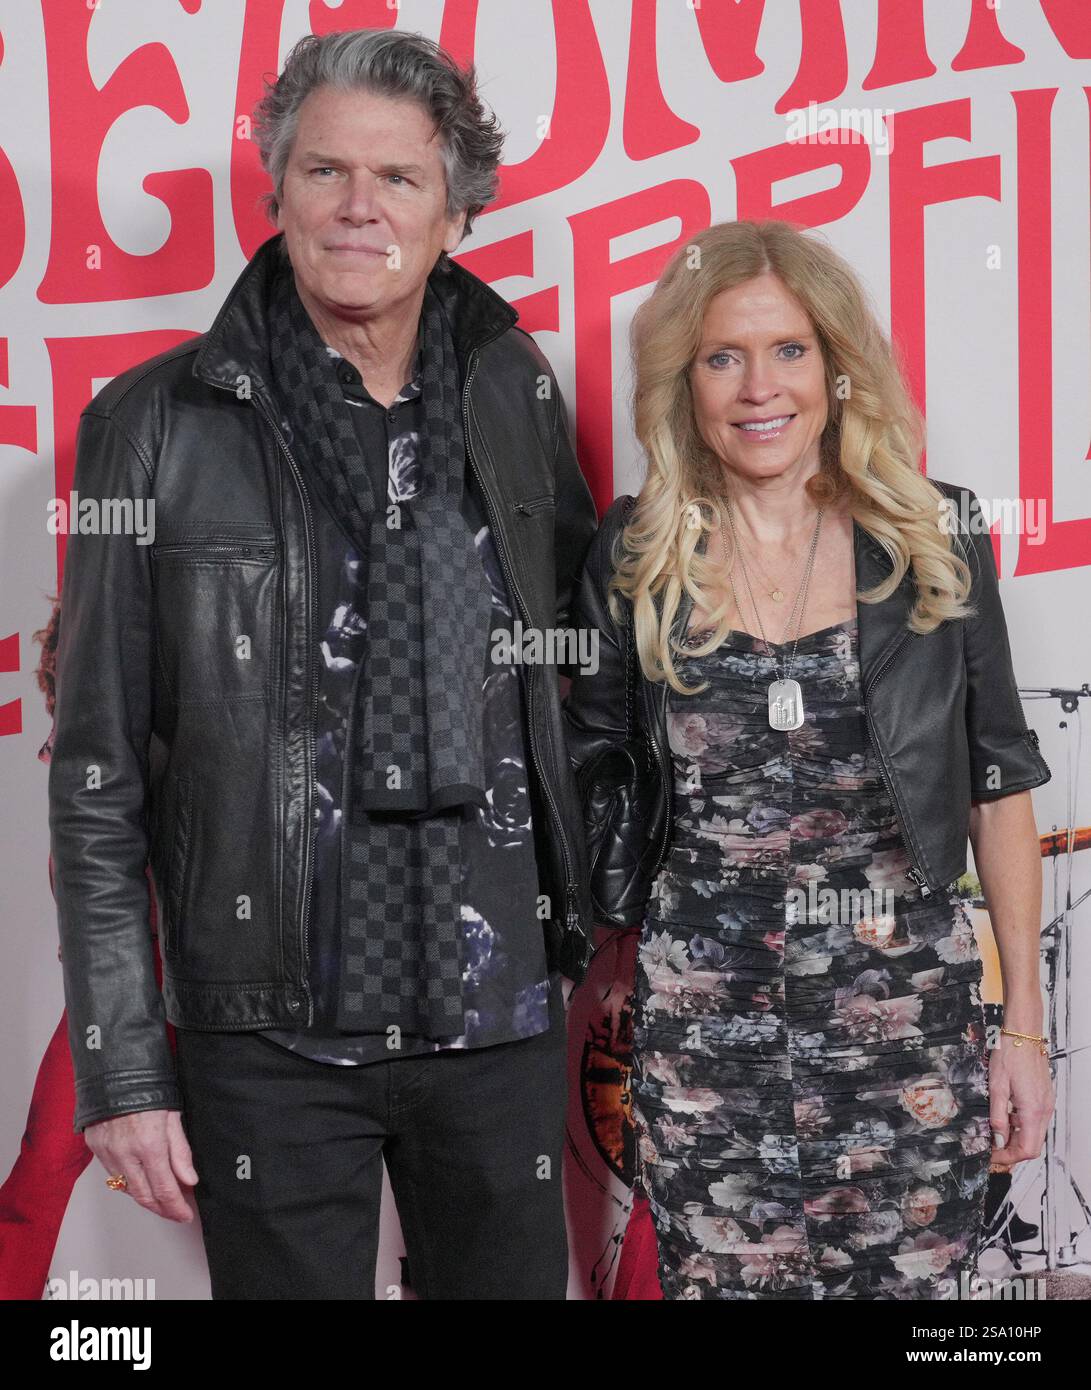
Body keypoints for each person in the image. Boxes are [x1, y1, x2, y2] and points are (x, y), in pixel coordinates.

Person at [48, 28, 597, 1300]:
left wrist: (585, 877)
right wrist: (126, 1069)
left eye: (399, 178)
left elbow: (574, 656)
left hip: (495, 1014)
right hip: (270, 1030)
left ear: (456, 212)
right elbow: (94, 777)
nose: (359, 208)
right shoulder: (153, 423)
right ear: (275, 190)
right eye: (323, 172)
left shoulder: (513, 392)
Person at [564, 219, 1055, 1300]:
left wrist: (1021, 1025)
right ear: (683, 382)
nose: (757, 388)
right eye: (721, 356)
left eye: (787, 350)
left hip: (904, 1029)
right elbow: (588, 770)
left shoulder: (935, 536)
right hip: (705, 1040)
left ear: (836, 367)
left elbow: (999, 781)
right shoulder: (635, 553)